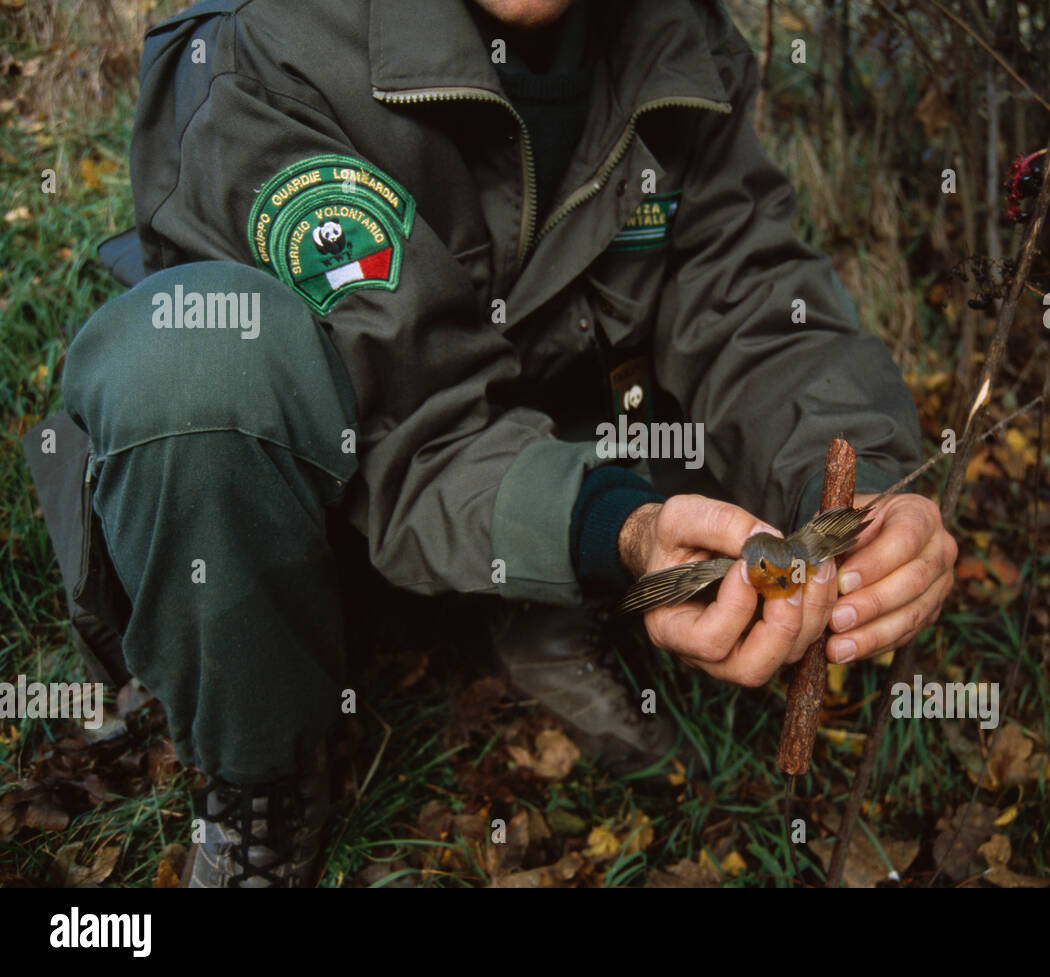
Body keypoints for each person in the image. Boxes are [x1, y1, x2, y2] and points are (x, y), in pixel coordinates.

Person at [29, 0, 956, 887]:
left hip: (531, 480)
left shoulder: (676, 39)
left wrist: (863, 484)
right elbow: (408, 412)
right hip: (331, 505)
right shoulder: (265, 45)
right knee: (192, 368)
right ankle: (261, 770)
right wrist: (620, 530)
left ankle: (537, 611)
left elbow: (753, 297)